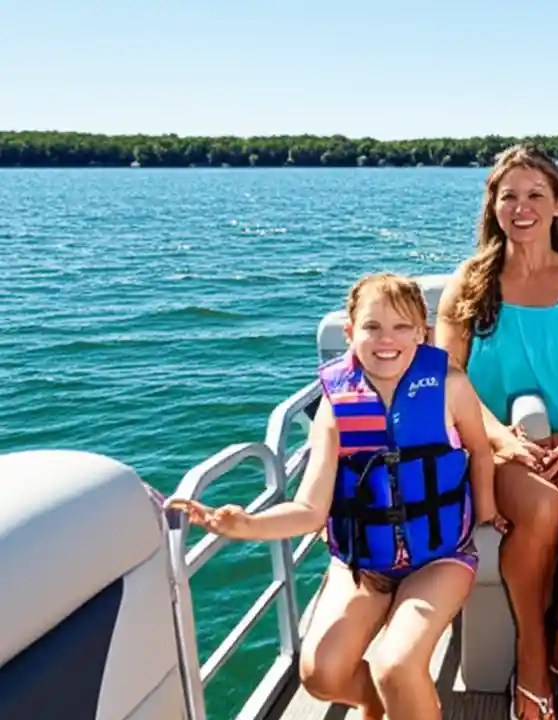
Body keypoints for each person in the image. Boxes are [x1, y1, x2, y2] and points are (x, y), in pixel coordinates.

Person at [167, 272, 497, 720]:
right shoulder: (336, 405)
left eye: (403, 327)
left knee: (396, 665)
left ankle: (406, 697)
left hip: (440, 558)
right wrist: (245, 524)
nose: (387, 340)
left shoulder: (450, 386)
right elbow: (309, 510)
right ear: (349, 332)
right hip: (363, 562)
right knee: (321, 674)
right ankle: (382, 703)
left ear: (423, 332)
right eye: (372, 327)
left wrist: (488, 512)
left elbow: (479, 449)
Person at [433, 143, 558, 720]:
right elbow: (451, 379)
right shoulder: (468, 284)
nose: (522, 207)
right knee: (542, 507)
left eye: (535, 195)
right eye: (508, 195)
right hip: (497, 446)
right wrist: (500, 440)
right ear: (492, 206)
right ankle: (536, 657)